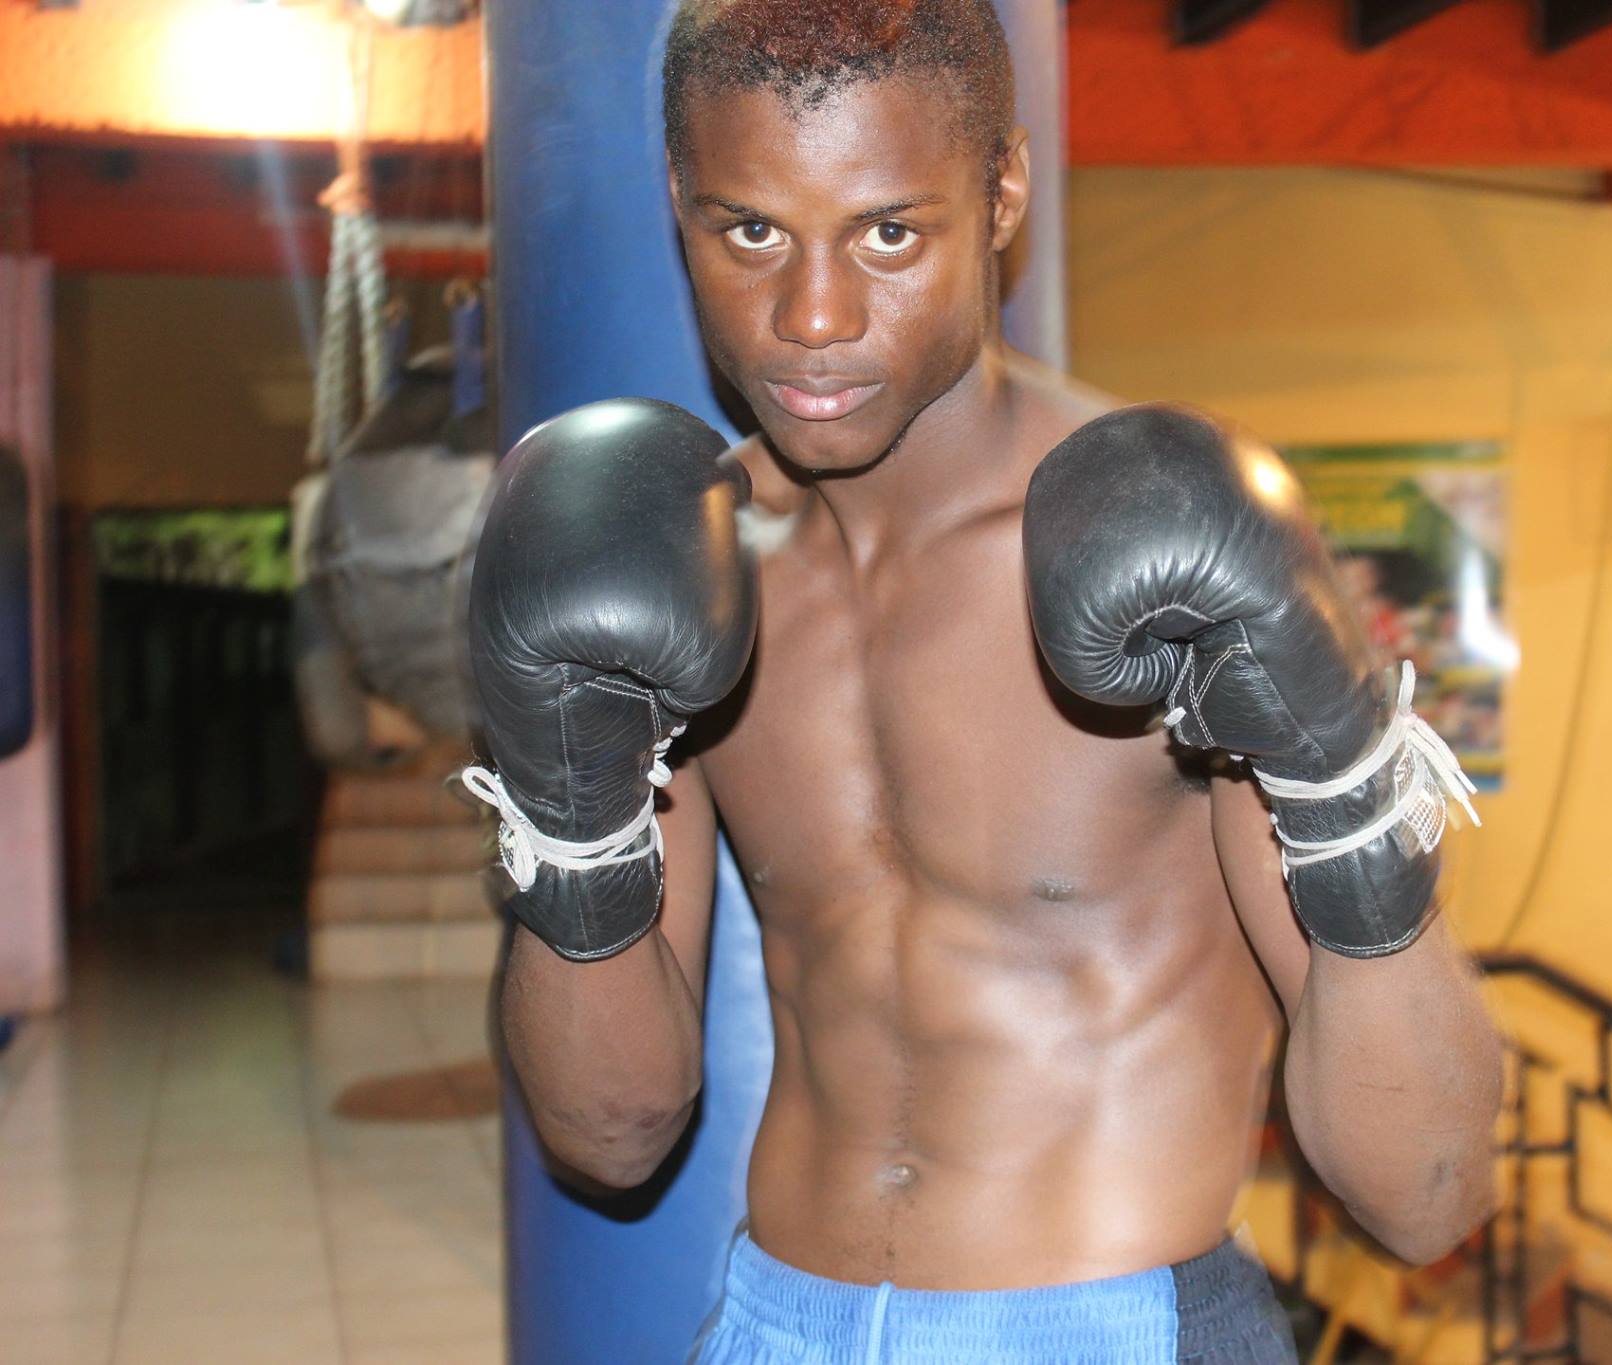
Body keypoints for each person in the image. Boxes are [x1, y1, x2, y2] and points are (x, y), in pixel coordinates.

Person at [464, 1, 1504, 1358]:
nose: (813, 317)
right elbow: (612, 1133)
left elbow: (1425, 1192)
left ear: (1002, 192)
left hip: (1111, 1324)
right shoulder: (688, 567)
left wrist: (1342, 784)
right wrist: (569, 820)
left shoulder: (1172, 555)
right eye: (750, 230)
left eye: (889, 229)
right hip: (780, 1319)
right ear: (678, 203)